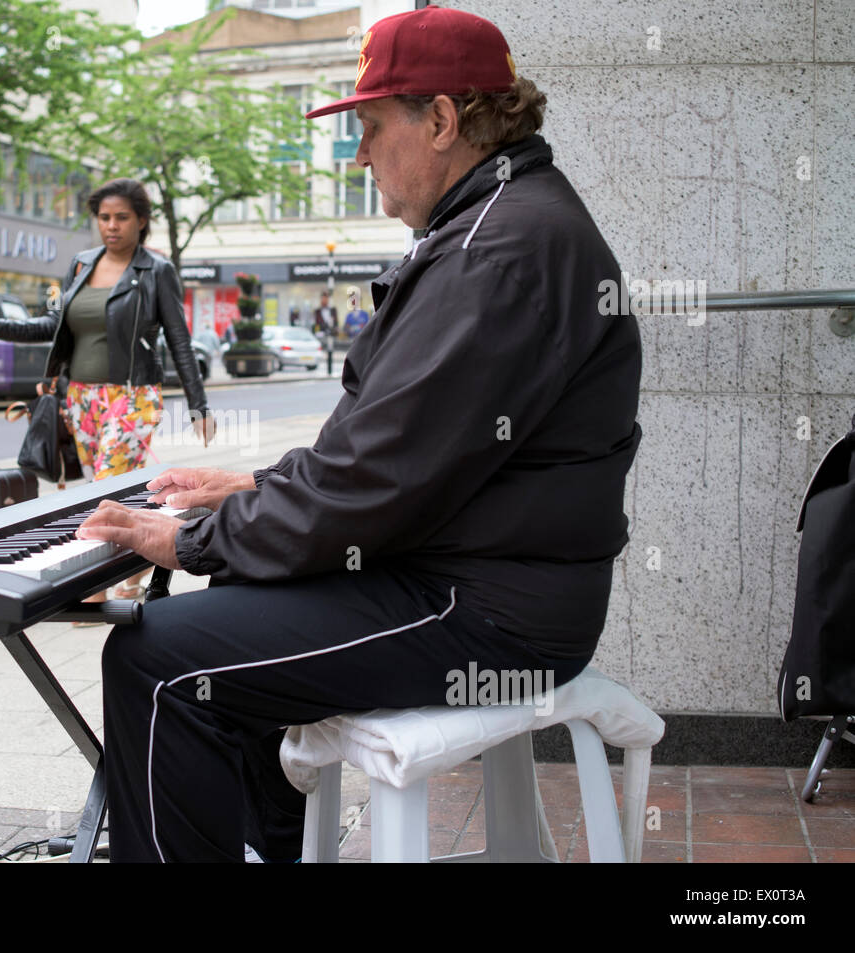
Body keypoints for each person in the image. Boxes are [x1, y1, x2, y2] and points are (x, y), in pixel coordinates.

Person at [76, 6, 642, 862]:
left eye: (373, 127)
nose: (361, 152)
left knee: (157, 659)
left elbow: (373, 484)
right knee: (231, 632)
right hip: (481, 582)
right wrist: (253, 490)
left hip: (487, 612)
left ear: (444, 121)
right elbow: (383, 451)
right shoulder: (496, 224)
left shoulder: (499, 250)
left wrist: (190, 539)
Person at [0, 177, 214, 601]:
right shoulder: (82, 265)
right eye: (104, 217)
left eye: (122, 217)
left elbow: (179, 339)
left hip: (133, 396)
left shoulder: (156, 271)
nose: (112, 226)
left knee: (106, 482)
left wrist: (199, 405)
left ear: (141, 221)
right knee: (105, 488)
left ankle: (95, 585)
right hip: (79, 398)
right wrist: (1, 327)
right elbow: (53, 324)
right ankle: (140, 562)